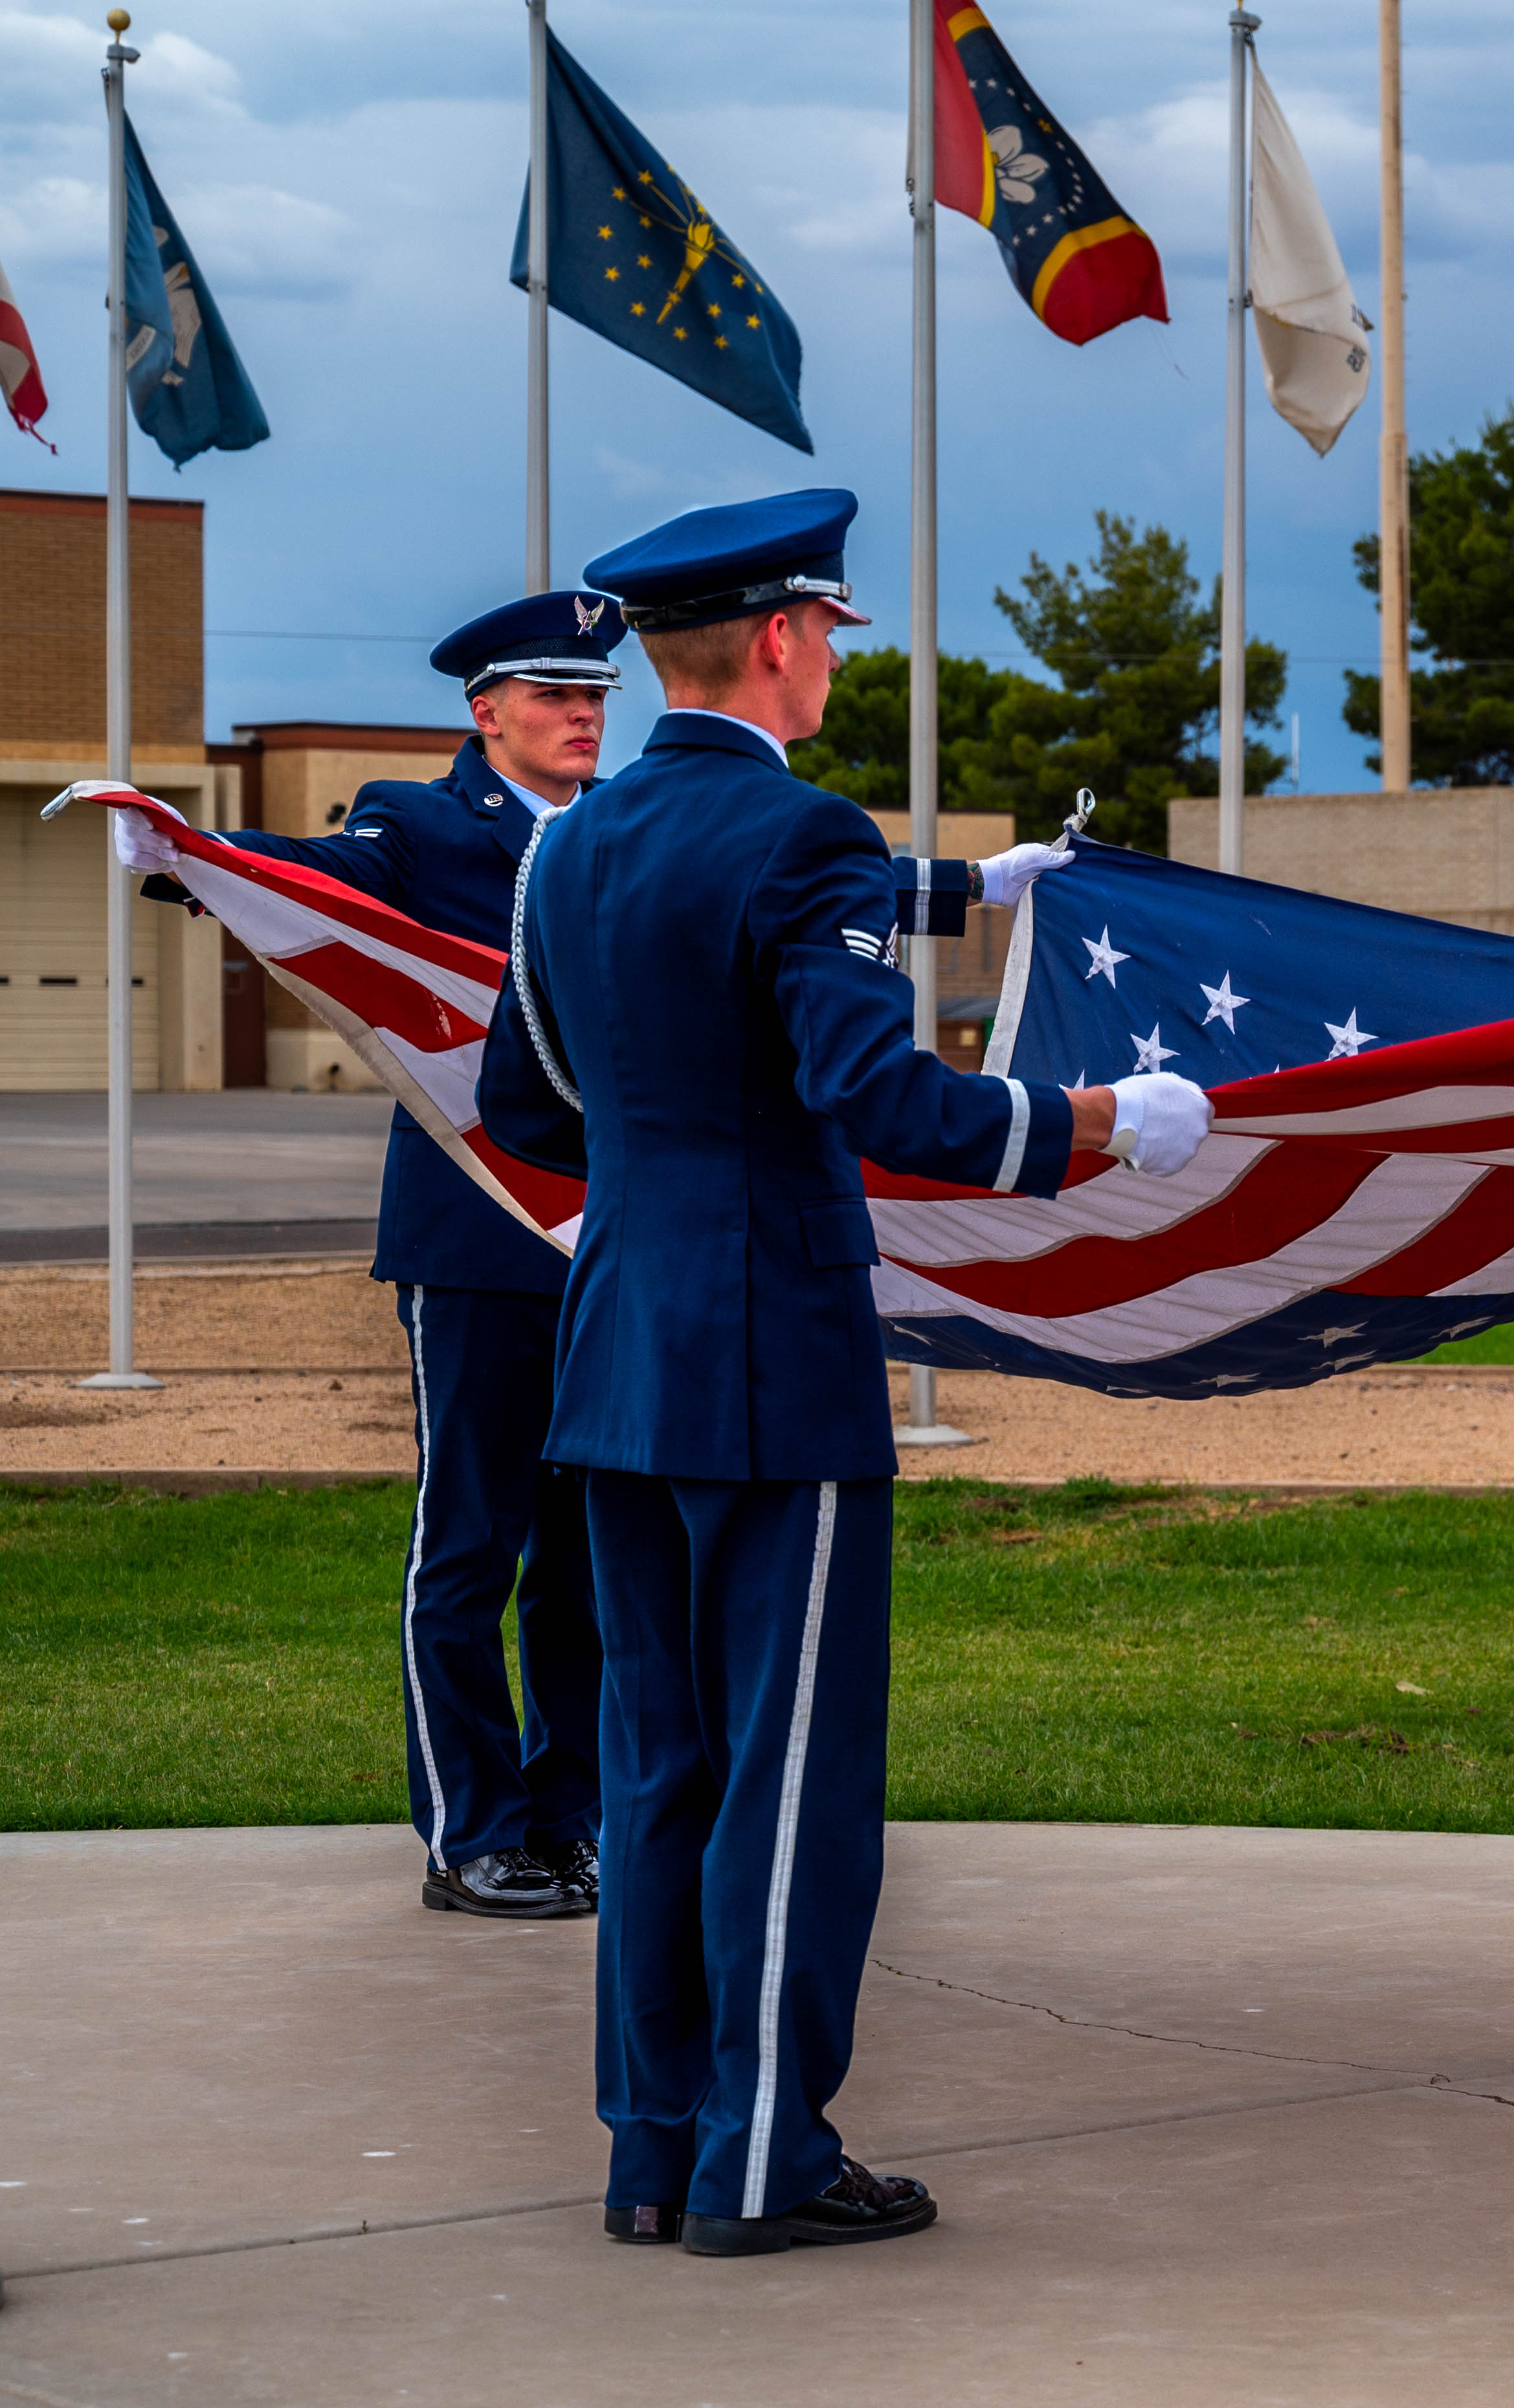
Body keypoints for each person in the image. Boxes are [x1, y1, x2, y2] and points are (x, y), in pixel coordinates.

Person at [478, 489, 1207, 2262]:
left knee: (655, 1771)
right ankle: (762, 2164)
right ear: (787, 641)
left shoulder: (565, 847)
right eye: (829, 634)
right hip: (771, 1361)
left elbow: (523, 1105)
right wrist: (1102, 1125)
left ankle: (656, 2150)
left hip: (620, 1354)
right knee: (793, 1781)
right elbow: (883, 1100)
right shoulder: (810, 840)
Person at [117, 593, 631, 1919]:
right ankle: (471, 1832)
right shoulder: (419, 819)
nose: (585, 715)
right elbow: (314, 875)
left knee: (584, 1553)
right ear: (488, 709)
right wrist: (185, 851)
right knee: (467, 1546)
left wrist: (975, 883)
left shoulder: (627, 828)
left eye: (597, 697)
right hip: (473, 1239)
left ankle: (569, 1816)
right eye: (556, 695)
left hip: (609, 1237)